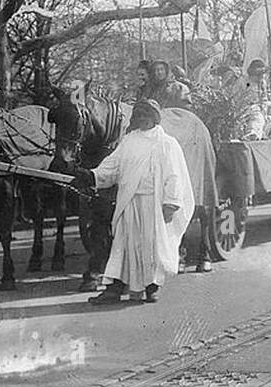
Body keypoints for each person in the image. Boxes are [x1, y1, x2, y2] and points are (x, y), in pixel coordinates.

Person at [78, 100, 194, 305]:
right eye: (138, 116)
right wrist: (93, 175)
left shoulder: (166, 143)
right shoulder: (129, 141)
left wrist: (171, 202)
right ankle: (114, 289)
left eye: (145, 115)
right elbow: (113, 166)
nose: (142, 120)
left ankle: (151, 287)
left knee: (151, 246)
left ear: (154, 117)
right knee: (122, 245)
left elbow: (174, 175)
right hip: (129, 202)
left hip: (153, 204)